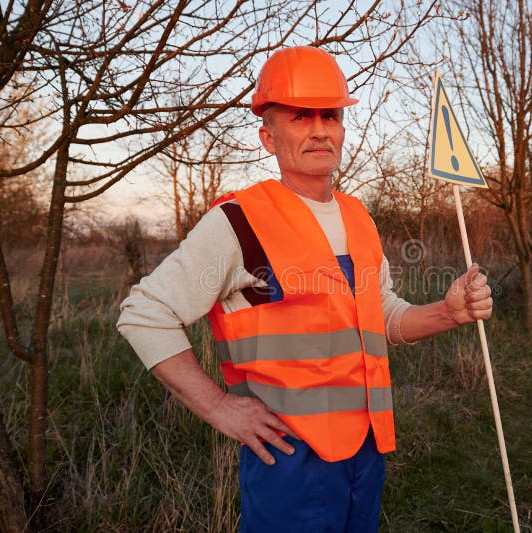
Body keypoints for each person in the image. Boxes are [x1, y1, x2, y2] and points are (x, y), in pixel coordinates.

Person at [117, 46, 493, 532]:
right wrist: (218, 407)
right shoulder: (238, 223)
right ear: (268, 137)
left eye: (330, 115)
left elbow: (382, 315)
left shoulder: (358, 217)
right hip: (288, 461)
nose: (319, 129)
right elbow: (145, 313)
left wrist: (449, 311)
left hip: (366, 451)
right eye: (299, 117)